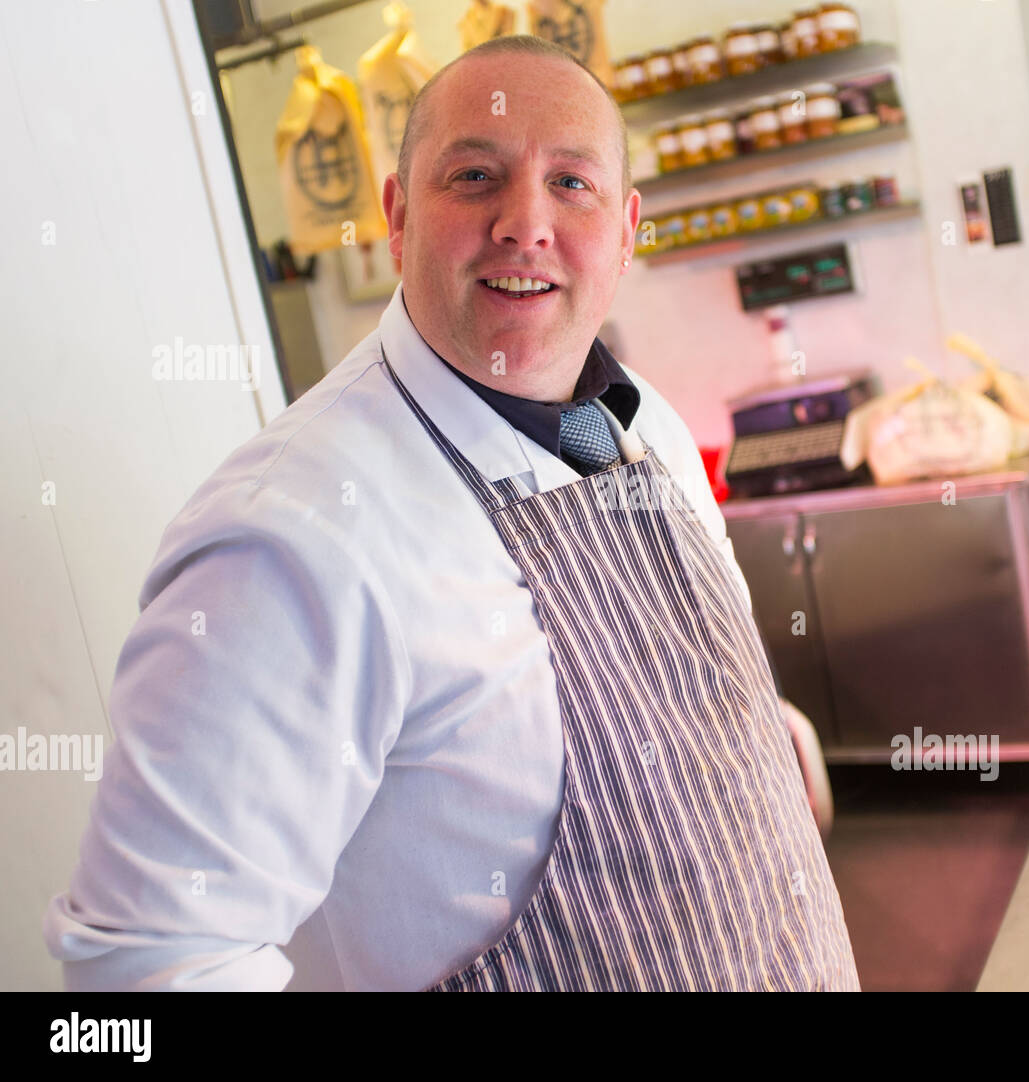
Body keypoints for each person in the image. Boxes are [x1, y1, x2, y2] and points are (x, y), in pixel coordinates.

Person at [43, 34, 859, 991]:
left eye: (572, 183)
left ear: (628, 230)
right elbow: (146, 968)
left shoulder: (645, 425)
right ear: (397, 217)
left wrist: (768, 747)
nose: (526, 222)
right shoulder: (295, 535)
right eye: (475, 176)